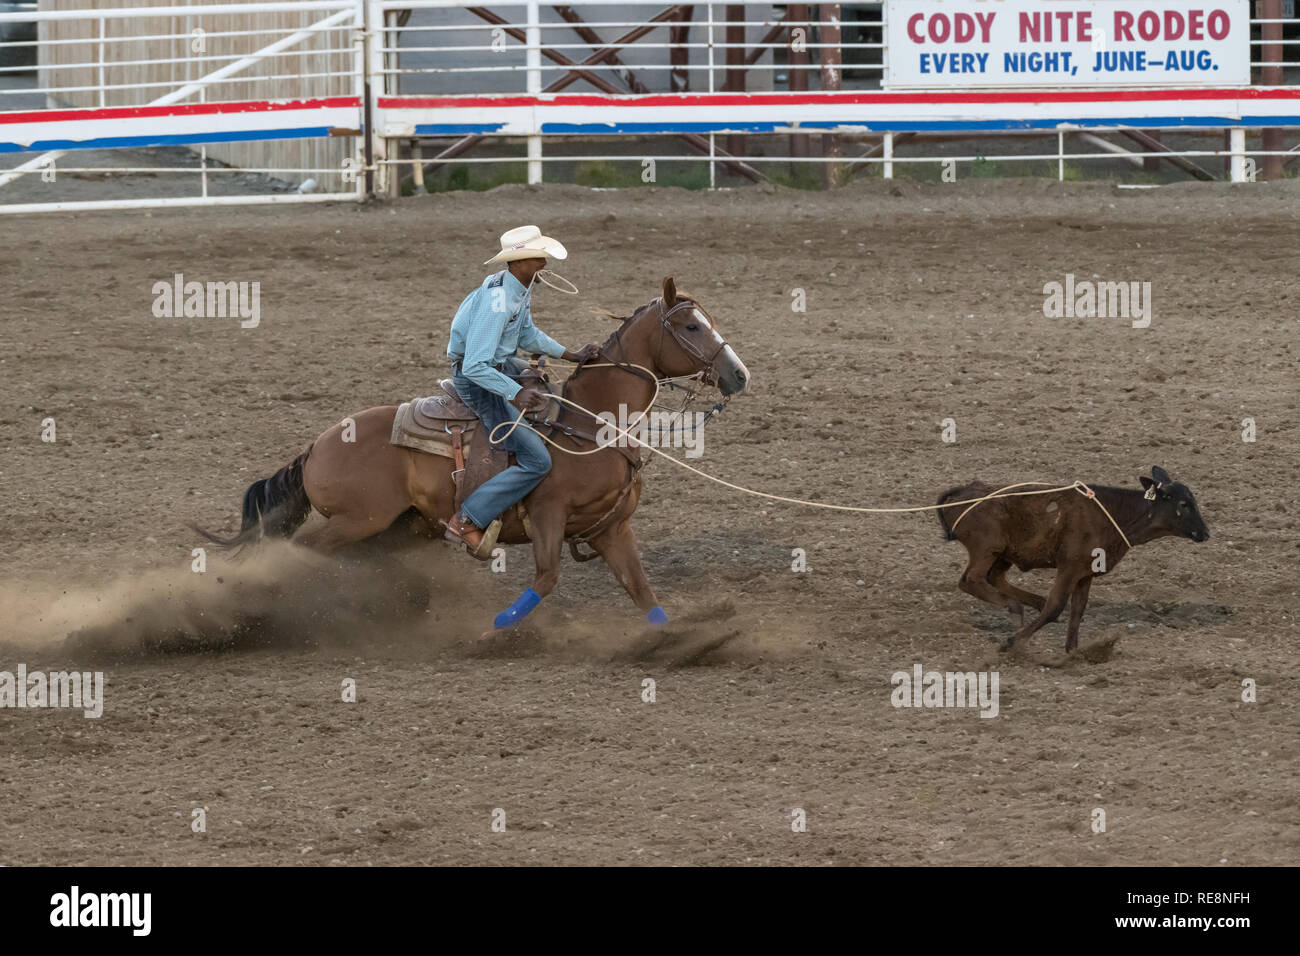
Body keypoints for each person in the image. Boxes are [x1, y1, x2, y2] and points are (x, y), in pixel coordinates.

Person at [443, 225, 600, 552]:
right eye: (536, 256)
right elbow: (474, 365)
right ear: (517, 262)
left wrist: (570, 354)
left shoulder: (517, 287)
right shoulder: (499, 300)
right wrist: (514, 392)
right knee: (537, 460)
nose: (543, 261)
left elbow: (526, 335)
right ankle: (467, 519)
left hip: (501, 364)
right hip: (478, 379)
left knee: (550, 401)